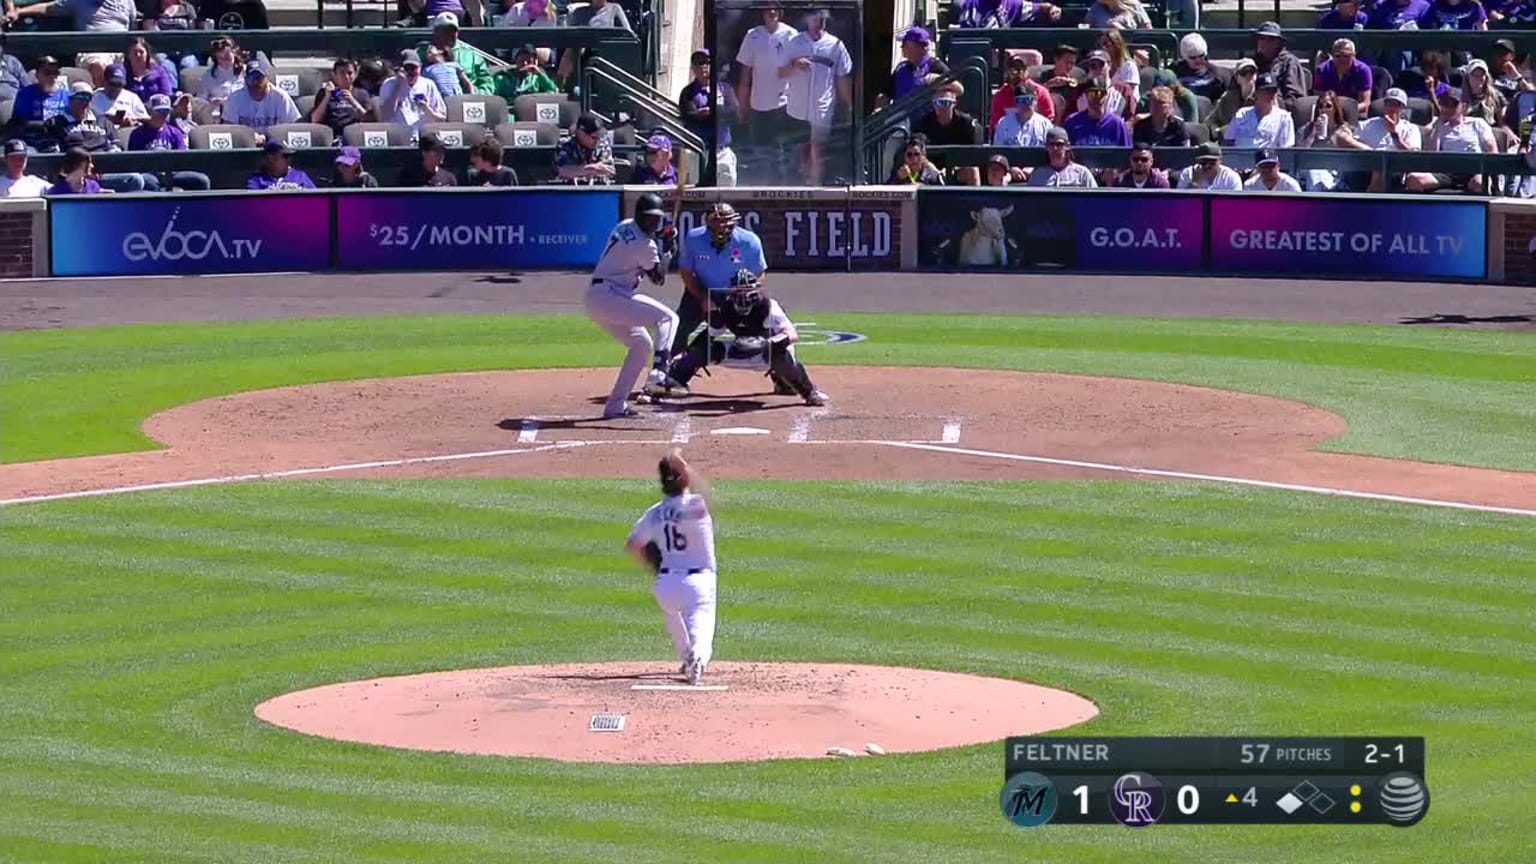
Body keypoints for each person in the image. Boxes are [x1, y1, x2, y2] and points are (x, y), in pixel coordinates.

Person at [666, 269, 829, 407]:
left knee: (778, 354)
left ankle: (808, 391)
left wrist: (766, 343)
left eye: (747, 290)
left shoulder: (768, 306)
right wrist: (688, 354)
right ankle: (676, 382)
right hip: (740, 349)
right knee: (704, 350)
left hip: (767, 353)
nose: (744, 295)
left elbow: (792, 334)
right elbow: (711, 334)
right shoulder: (726, 307)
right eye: (739, 290)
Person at [624, 449, 718, 686]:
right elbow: (709, 494)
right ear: (683, 477)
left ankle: (686, 656)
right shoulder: (697, 505)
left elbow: (633, 545)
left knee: (672, 613)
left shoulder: (654, 512)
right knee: (702, 637)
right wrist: (686, 468)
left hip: (665, 584)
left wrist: (655, 565)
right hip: (698, 583)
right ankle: (696, 658)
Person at [584, 193, 681, 419]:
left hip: (600, 297)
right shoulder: (644, 245)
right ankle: (659, 370)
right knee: (668, 318)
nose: (653, 223)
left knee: (641, 344)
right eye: (650, 219)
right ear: (639, 217)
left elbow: (649, 255)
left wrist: (662, 239)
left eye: (657, 219)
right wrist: (669, 248)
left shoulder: (626, 225)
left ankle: (616, 406)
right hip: (610, 296)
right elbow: (658, 278)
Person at [669, 202, 780, 391]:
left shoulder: (749, 241)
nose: (722, 228)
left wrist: (745, 294)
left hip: (737, 295)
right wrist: (702, 296)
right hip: (701, 291)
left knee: (766, 335)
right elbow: (686, 271)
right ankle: (671, 376)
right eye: (717, 223)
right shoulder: (694, 238)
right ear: (708, 223)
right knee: (679, 328)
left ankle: (783, 377)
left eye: (727, 224)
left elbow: (759, 273)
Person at [780, 8, 853, 185]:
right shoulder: (794, 42)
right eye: (814, 19)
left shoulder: (835, 45)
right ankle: (797, 185)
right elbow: (781, 72)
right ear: (808, 20)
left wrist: (849, 105)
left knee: (817, 148)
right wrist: (795, 64)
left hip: (823, 106)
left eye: (822, 19)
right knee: (799, 151)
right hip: (797, 108)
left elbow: (843, 77)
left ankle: (816, 185)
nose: (818, 22)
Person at [5, 0, 134, 88]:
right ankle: (101, 104)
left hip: (120, 49)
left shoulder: (127, 1)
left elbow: (134, 28)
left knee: (142, 57)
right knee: (97, 64)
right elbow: (48, 8)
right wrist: (19, 11)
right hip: (93, 48)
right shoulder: (79, 1)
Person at [735, 1, 797, 180]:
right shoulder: (752, 36)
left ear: (780, 11)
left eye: (775, 8)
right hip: (758, 105)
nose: (771, 11)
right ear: (762, 12)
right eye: (768, 8)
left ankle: (783, 193)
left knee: (781, 153)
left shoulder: (791, 35)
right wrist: (742, 105)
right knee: (760, 153)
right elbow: (745, 73)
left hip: (784, 105)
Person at [1406, 85, 1497, 193]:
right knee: (1413, 179)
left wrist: (1490, 172)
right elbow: (1432, 154)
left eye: (1453, 104)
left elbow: (1491, 147)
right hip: (1446, 171)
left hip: (1473, 168)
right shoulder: (1437, 125)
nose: (1448, 108)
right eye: (1444, 104)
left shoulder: (1477, 123)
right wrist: (1439, 125)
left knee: (1480, 184)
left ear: (1464, 106)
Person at [678, 49, 739, 187]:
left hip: (722, 151)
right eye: (698, 63)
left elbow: (735, 113)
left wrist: (713, 112)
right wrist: (712, 116)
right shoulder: (688, 92)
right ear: (693, 68)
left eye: (707, 63)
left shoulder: (725, 89)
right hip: (698, 152)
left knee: (726, 191)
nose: (703, 66)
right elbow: (689, 116)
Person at [1341, 87, 1422, 191]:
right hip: (1365, 170)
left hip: (1394, 171)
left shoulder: (1411, 129)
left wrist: (1394, 135)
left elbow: (1413, 156)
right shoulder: (1367, 125)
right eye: (1388, 103)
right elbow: (1349, 140)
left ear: (1403, 108)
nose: (1391, 107)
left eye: (1396, 104)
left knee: (1380, 167)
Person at [1295, 89, 1355, 191]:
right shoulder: (1306, 130)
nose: (1323, 110)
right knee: (1315, 172)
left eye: (1328, 106)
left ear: (1335, 109)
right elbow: (1297, 157)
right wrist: (1313, 134)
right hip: (1310, 172)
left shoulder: (1344, 130)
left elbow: (1352, 158)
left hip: (1336, 174)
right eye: (1320, 106)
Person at [223, 62, 301, 139]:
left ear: (267, 78)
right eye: (251, 78)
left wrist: (266, 137)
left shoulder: (280, 97)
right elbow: (229, 128)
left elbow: (290, 128)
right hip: (244, 142)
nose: (255, 82)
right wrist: (249, 137)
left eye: (259, 78)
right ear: (245, 79)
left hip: (273, 143)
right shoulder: (235, 97)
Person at [423, 11, 495, 94]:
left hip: (469, 101)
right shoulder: (422, 53)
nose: (449, 34)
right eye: (444, 31)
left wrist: (476, 95)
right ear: (435, 32)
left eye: (452, 31)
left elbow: (487, 83)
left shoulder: (472, 55)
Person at [379, 50, 446, 133]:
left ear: (420, 67)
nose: (411, 72)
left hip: (423, 136)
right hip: (398, 136)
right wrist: (398, 86)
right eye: (407, 69)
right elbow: (385, 116)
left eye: (414, 68)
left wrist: (427, 109)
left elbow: (442, 119)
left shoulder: (428, 84)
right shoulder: (389, 84)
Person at [1227, 74, 1295, 149]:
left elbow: (1286, 149)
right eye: (1266, 91)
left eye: (1273, 91)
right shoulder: (1241, 114)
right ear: (1256, 93)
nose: (1271, 95)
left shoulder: (1284, 118)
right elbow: (1228, 141)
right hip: (1241, 157)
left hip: (1267, 158)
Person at [990, 53, 1054, 133]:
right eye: (1013, 70)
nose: (1018, 73)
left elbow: (1049, 118)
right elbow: (996, 124)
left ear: (1026, 71)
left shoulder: (1040, 92)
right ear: (1007, 72)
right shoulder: (1000, 96)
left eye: (1021, 69)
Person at [311, 59, 376, 137]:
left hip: (355, 136)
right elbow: (315, 119)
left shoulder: (362, 94)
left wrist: (353, 102)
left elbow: (369, 120)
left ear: (355, 74)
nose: (346, 77)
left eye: (350, 73)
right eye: (342, 73)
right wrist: (327, 97)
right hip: (332, 136)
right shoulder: (324, 93)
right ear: (334, 75)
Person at [1251, 21, 1307, 109]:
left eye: (1270, 39)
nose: (1265, 42)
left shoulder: (1289, 62)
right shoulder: (1253, 62)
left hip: (1280, 111)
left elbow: (1294, 97)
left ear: (1278, 43)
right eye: (1261, 38)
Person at [1064, 79, 1132, 147]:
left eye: (1100, 94)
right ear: (1086, 95)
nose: (1096, 98)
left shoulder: (1118, 125)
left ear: (1106, 95)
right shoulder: (1072, 122)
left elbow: (1126, 153)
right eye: (1092, 94)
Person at [890, 26, 948, 102]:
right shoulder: (901, 68)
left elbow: (959, 89)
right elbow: (889, 93)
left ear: (920, 48)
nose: (902, 47)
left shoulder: (935, 66)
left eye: (905, 44)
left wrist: (941, 80)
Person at [555, 112, 617, 184]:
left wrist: (579, 170)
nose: (597, 140)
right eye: (594, 137)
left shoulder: (602, 142)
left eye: (600, 136)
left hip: (599, 189)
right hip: (571, 191)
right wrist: (592, 169)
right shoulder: (565, 144)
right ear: (579, 132)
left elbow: (608, 168)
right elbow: (562, 171)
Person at [11, 56, 70, 130]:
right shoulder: (25, 94)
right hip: (34, 136)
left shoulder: (66, 95)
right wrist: (43, 125)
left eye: (55, 72)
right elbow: (19, 122)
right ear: (37, 75)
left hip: (61, 136)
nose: (52, 77)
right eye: (47, 73)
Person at [914, 84, 980, 148]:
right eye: (939, 102)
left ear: (954, 104)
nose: (943, 107)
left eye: (947, 102)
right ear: (933, 104)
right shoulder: (924, 124)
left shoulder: (966, 123)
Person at [1028, 126, 1098, 187]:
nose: (1055, 148)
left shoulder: (1082, 173)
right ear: (1046, 147)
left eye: (1059, 144)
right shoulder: (1038, 174)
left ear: (1067, 146)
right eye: (1051, 144)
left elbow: (1095, 199)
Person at [1313, 38, 1373, 107]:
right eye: (1337, 56)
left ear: (1354, 55)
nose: (1342, 59)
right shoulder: (1322, 70)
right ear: (1332, 56)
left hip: (1355, 113)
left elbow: (1365, 103)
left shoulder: (1363, 70)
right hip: (1330, 112)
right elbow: (1319, 100)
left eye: (1346, 56)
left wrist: (1345, 112)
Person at [1208, 57, 1258, 140]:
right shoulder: (1227, 98)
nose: (1248, 76)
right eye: (1244, 73)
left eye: (1252, 73)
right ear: (1237, 77)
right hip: (1229, 143)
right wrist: (1218, 131)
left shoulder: (1263, 97)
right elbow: (1210, 121)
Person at [1173, 33, 1228, 102]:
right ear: (1185, 57)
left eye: (1201, 55)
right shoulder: (1174, 71)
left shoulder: (1214, 74)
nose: (1198, 60)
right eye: (1193, 57)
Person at [90, 64, 148, 129]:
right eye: (112, 84)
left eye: (119, 85)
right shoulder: (94, 98)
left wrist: (133, 122)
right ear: (105, 81)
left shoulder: (132, 97)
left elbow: (145, 121)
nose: (116, 88)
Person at [196, 37, 248, 106]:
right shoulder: (208, 76)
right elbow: (200, 101)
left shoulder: (246, 71)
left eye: (227, 57)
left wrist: (227, 101)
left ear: (234, 52)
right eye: (220, 58)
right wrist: (211, 102)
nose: (224, 62)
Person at [247, 139, 317, 190]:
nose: (289, 160)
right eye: (285, 156)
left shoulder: (300, 176)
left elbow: (316, 199)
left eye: (290, 156)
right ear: (271, 158)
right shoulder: (257, 180)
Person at [1100, 29, 1140, 117]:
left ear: (1116, 45)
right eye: (1101, 45)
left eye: (1106, 44)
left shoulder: (1129, 65)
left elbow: (1129, 92)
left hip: (1126, 107)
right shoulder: (1101, 66)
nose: (1103, 48)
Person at [123, 38, 176, 104]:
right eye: (135, 52)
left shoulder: (159, 71)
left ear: (147, 54)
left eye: (141, 52)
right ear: (128, 55)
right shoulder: (123, 73)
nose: (138, 55)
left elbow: (166, 94)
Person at [1176, 141, 1242, 189]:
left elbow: (1236, 205)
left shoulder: (1231, 177)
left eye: (1212, 162)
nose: (1207, 165)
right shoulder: (1188, 173)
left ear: (1220, 160)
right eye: (1203, 162)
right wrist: (1195, 184)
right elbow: (1181, 204)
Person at [1462, 59, 1508, 128]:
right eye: (1475, 75)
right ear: (1467, 77)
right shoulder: (1460, 96)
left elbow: (1502, 122)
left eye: (1482, 75)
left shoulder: (1496, 95)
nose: (1479, 78)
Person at [953, 0, 1060, 28]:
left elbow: (1039, 7)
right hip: (980, 52)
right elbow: (966, 34)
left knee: (1034, 57)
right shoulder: (973, 4)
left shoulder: (1011, 3)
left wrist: (1052, 8)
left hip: (1003, 51)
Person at [1418, 0, 1488, 29]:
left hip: (1466, 48)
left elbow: (1483, 32)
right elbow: (1425, 27)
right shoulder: (1435, 5)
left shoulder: (1474, 5)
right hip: (1442, 48)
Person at [1086, 0, 1151, 29]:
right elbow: (1088, 30)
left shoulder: (1134, 5)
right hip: (1104, 50)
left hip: (1131, 49)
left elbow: (1147, 30)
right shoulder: (1096, 7)